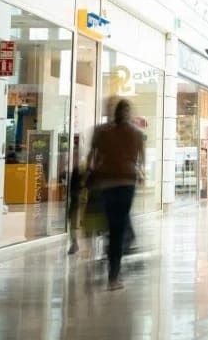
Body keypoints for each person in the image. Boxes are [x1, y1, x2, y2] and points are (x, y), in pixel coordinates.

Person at [87, 99, 145, 290]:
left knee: (113, 226)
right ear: (128, 113)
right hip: (126, 183)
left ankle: (113, 266)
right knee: (119, 227)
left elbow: (92, 157)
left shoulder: (102, 133)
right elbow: (140, 161)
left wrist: (92, 174)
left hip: (107, 183)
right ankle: (114, 276)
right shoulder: (136, 134)